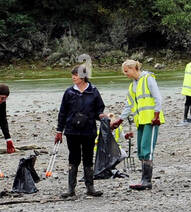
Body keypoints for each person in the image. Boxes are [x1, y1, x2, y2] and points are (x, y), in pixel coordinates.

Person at [55, 64, 107, 199]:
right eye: (73, 75)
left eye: (76, 75)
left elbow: (99, 109)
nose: (73, 77)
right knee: (73, 158)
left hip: (89, 130)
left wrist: (102, 116)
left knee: (88, 158)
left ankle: (90, 188)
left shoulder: (93, 91)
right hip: (72, 131)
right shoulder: (69, 92)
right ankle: (70, 188)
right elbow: (62, 112)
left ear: (83, 77)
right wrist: (59, 130)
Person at [110, 60, 163, 191]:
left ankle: (146, 181)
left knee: (147, 148)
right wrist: (120, 120)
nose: (125, 74)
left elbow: (157, 98)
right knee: (141, 150)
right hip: (140, 121)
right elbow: (130, 105)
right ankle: (144, 180)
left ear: (134, 68)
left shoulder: (148, 79)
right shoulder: (132, 86)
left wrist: (156, 115)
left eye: (126, 71)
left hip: (151, 120)